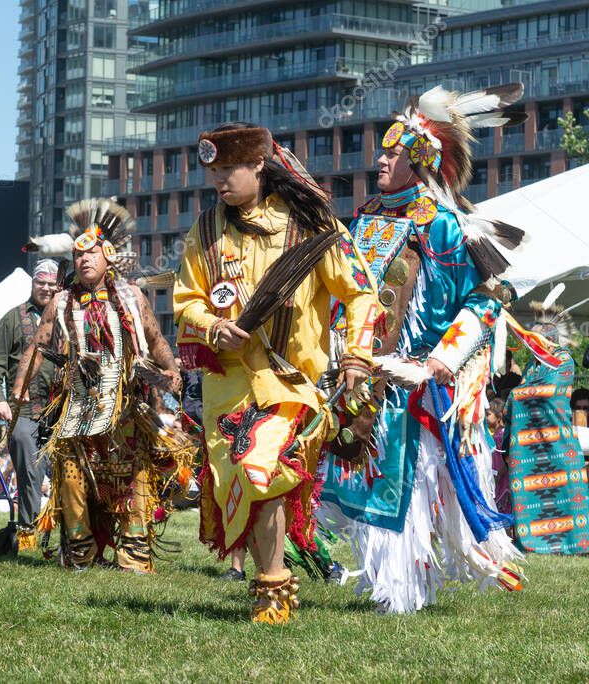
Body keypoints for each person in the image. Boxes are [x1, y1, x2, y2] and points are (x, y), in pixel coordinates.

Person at [319, 83, 528, 613]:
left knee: (407, 487)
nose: (380, 160)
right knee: (365, 482)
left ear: (419, 163)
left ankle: (404, 594)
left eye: (393, 153)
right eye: (382, 152)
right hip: (359, 379)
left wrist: (440, 361)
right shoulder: (363, 221)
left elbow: (485, 302)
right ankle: (384, 588)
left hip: (418, 387)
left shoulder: (442, 228)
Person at [173, 123, 378, 623]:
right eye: (213, 172)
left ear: (258, 165)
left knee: (261, 466)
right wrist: (213, 326)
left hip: (289, 383)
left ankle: (272, 589)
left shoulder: (311, 225)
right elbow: (185, 304)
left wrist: (357, 355)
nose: (219, 182)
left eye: (228, 171)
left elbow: (361, 293)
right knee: (242, 483)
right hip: (228, 388)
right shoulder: (206, 229)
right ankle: (273, 588)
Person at [14, 199, 196, 573]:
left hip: (125, 406)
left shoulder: (130, 297)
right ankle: (81, 553)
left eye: (92, 253)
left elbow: (156, 339)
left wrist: (171, 371)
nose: (84, 260)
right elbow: (38, 346)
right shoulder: (62, 302)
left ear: (108, 257)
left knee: (132, 476)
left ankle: (132, 556)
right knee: (71, 476)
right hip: (78, 406)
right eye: (79, 255)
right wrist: (19, 390)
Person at [0, 259, 59, 548]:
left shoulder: (70, 318)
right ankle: (29, 527)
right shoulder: (13, 319)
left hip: (62, 409)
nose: (46, 288)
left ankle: (77, 532)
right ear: (32, 283)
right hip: (25, 410)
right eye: (41, 282)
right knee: (26, 449)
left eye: (52, 284)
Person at [502, 296, 589, 554]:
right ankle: (535, 543)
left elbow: (549, 393)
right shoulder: (533, 364)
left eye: (536, 339)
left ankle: (571, 543)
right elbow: (524, 391)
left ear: (549, 339)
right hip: (531, 447)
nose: (531, 344)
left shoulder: (563, 360)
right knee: (534, 496)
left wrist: (515, 398)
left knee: (564, 494)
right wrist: (517, 397)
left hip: (557, 442)